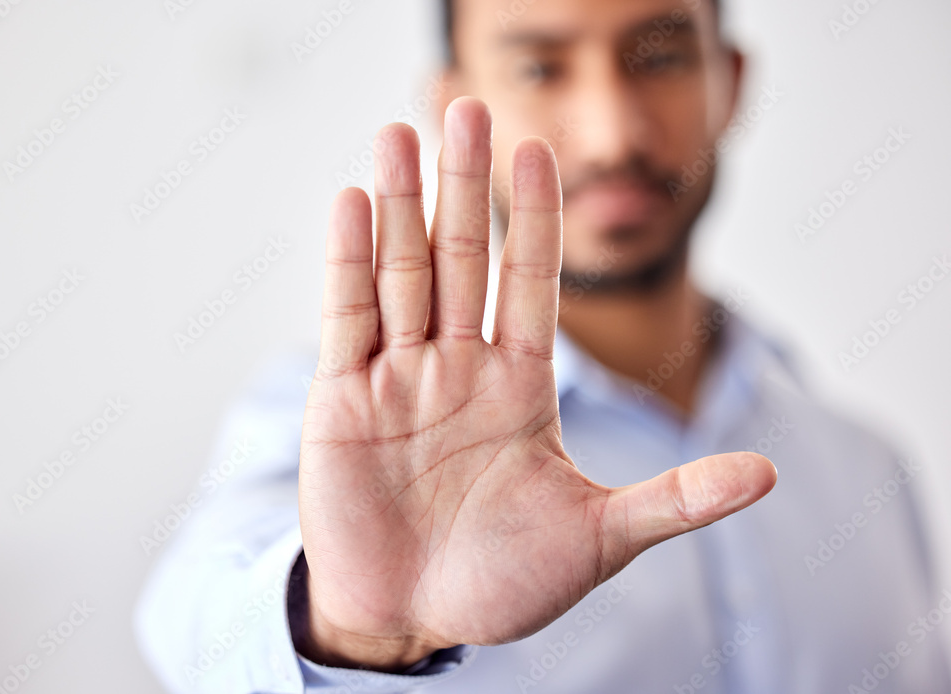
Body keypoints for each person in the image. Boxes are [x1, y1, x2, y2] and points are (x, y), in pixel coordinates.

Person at [134, 0, 950, 692]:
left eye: (661, 56)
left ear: (729, 84)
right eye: (539, 68)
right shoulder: (339, 427)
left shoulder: (867, 470)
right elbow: (192, 619)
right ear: (456, 100)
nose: (611, 133)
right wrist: (356, 631)